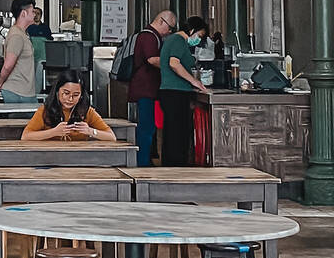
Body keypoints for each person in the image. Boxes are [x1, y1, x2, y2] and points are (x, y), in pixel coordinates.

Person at [157, 14, 210, 167]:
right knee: (177, 135)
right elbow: (174, 63)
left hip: (172, 93)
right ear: (192, 30)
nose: (198, 40)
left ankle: (171, 167)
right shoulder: (178, 40)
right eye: (199, 35)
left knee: (173, 133)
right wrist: (194, 81)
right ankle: (176, 168)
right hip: (175, 93)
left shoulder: (174, 41)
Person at [128, 10, 176, 167]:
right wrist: (173, 65)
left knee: (148, 127)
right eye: (170, 28)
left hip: (148, 89)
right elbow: (152, 59)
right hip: (145, 90)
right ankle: (142, 163)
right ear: (162, 21)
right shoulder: (148, 36)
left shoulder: (151, 36)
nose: (169, 32)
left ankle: (145, 159)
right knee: (146, 128)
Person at [23, 70, 118, 141]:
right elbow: (26, 136)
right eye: (66, 93)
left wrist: (90, 131)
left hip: (79, 157)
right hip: (50, 157)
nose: (70, 99)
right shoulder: (45, 110)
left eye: (76, 95)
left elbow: (111, 137)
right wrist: (53, 132)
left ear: (81, 95)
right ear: (57, 91)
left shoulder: (87, 111)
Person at [0, 0, 39, 103]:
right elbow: (8, 65)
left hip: (24, 93)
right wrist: (0, 82)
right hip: (17, 93)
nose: (34, 14)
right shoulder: (16, 35)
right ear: (23, 13)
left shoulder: (21, 33)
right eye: (32, 11)